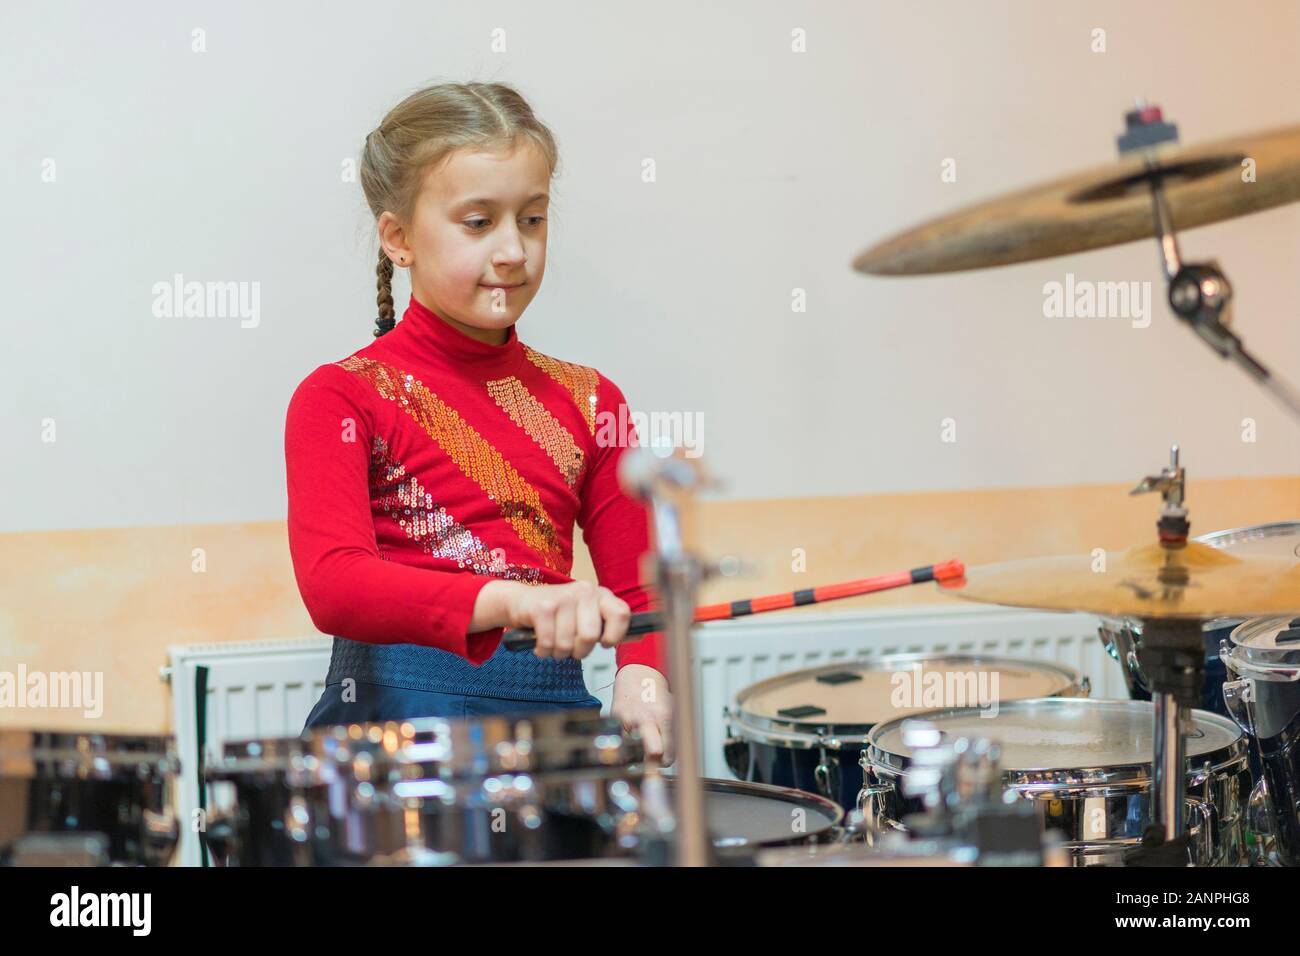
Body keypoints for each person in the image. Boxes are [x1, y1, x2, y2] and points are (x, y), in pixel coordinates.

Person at [285, 81, 673, 764]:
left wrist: (643, 676)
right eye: (477, 222)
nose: (512, 251)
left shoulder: (593, 400)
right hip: (391, 739)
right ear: (398, 237)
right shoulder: (341, 396)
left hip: (554, 742)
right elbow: (335, 584)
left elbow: (640, 591)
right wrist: (513, 603)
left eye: (532, 219)